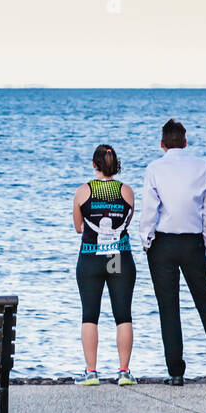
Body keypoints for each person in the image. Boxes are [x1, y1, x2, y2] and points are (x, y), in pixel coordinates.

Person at [140, 118, 206, 385]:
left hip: (162, 244)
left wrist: (146, 239)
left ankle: (175, 374)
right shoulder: (203, 167)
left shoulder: (154, 169)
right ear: (185, 142)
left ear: (162, 144)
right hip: (193, 243)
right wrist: (205, 238)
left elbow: (150, 210)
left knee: (168, 309)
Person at [73, 144, 137, 385]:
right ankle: (123, 371)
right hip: (117, 257)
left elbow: (78, 227)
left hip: (91, 257)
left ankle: (91, 372)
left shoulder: (83, 192)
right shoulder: (127, 192)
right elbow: (127, 222)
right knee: (123, 315)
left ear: (94, 165)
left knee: (90, 315)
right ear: (115, 164)